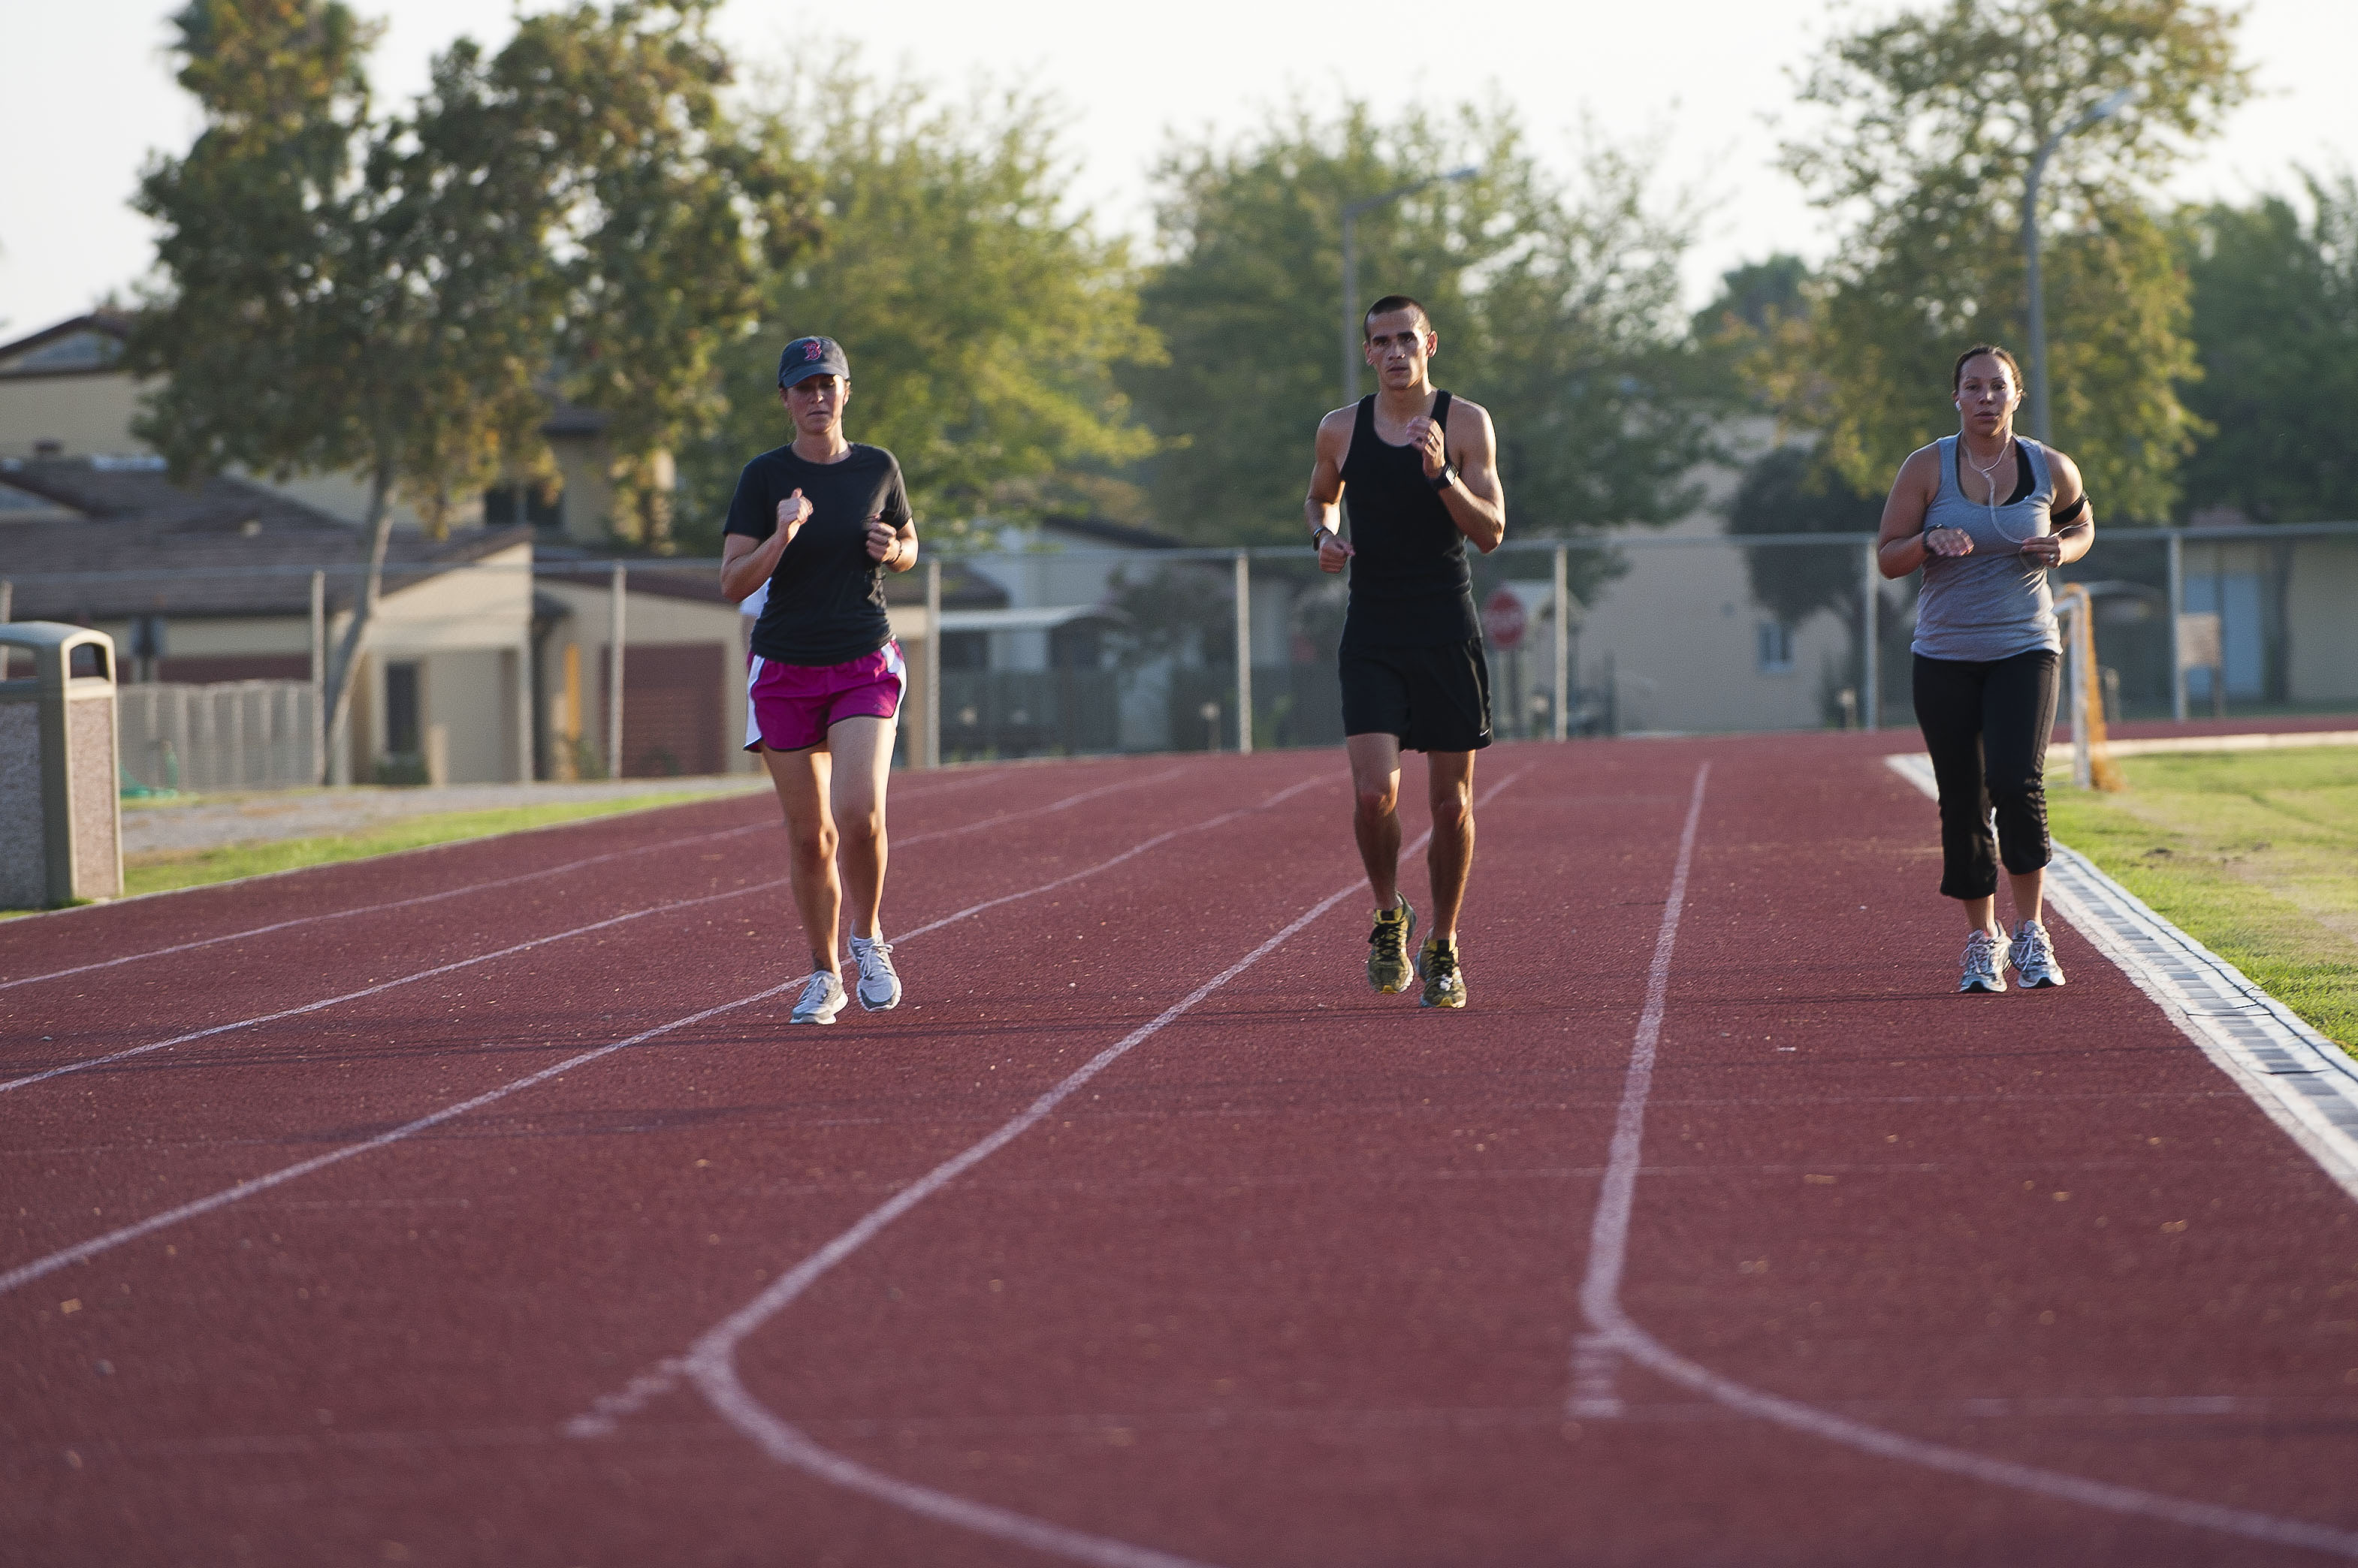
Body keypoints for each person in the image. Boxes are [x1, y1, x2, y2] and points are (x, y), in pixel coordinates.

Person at [1303, 294, 1506, 1009]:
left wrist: (1442, 475)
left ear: (1430, 343)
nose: (1394, 351)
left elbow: (1491, 532)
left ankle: (1443, 945)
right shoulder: (1340, 429)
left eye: (1405, 339)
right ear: (1367, 353)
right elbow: (1321, 499)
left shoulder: (1466, 422)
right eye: (1380, 341)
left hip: (1447, 627)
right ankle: (1390, 913)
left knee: (1451, 808)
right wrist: (1324, 537)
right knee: (1371, 793)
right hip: (1374, 630)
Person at [1876, 343, 2094, 994]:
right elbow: (1887, 556)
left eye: (1996, 387)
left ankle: (2030, 932)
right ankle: (1982, 938)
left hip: (2024, 645)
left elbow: (2083, 527)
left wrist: (2063, 548)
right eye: (1972, 387)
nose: (1985, 398)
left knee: (2016, 782)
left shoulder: (2048, 466)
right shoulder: (1926, 468)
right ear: (1956, 397)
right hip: (1944, 654)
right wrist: (1926, 542)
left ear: (2015, 395)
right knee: (1963, 800)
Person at [720, 336, 919, 1024]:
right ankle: (822, 972)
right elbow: (731, 582)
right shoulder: (764, 477)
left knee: (858, 813)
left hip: (863, 658)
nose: (815, 398)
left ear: (845, 391)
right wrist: (781, 537)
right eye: (802, 387)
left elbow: (909, 543)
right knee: (811, 838)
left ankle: (868, 939)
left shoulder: (877, 467)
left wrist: (895, 551)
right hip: (784, 667)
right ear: (785, 399)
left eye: (826, 384)